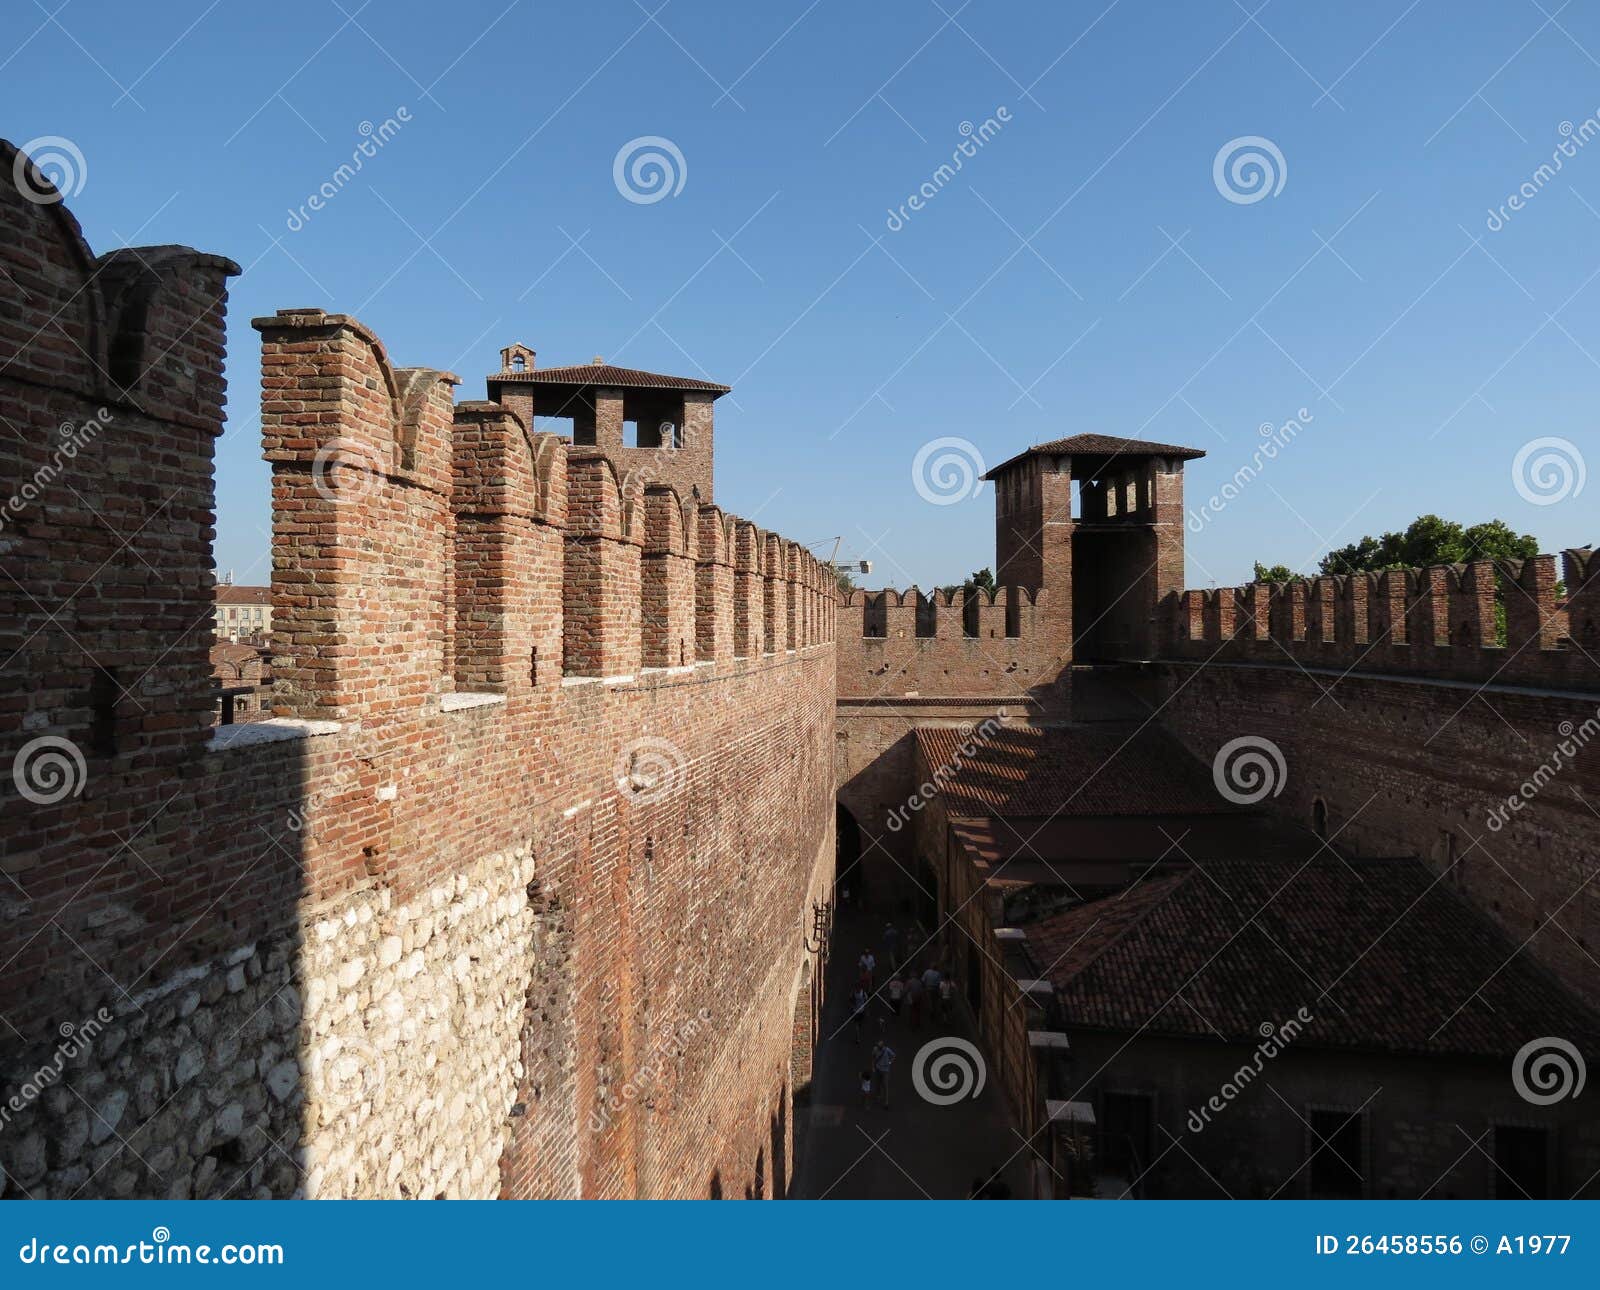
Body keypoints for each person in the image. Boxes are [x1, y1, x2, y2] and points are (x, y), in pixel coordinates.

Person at [871, 1039, 896, 1108]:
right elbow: (873, 1058)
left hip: (885, 1071)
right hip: (878, 1069)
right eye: (878, 1046)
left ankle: (886, 1102)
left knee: (885, 1086)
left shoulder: (887, 1050)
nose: (878, 1047)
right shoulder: (875, 1049)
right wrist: (873, 1067)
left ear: (882, 1046)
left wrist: (890, 1062)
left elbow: (893, 1055)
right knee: (877, 1083)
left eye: (880, 1046)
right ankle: (878, 1095)